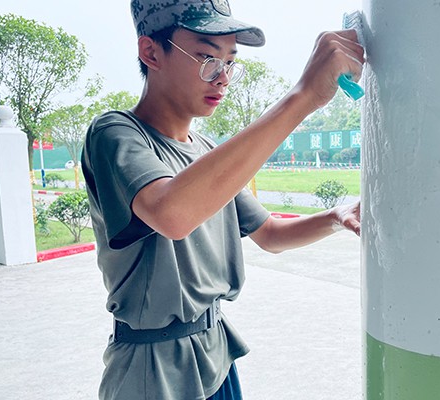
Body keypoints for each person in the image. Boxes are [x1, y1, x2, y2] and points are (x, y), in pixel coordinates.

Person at [81, 0, 364, 399]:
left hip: (215, 356)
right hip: (154, 369)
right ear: (151, 52)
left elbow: (271, 233)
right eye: (206, 57)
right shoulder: (116, 134)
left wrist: (336, 216)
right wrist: (303, 96)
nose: (222, 78)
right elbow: (172, 214)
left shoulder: (206, 150)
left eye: (230, 61)